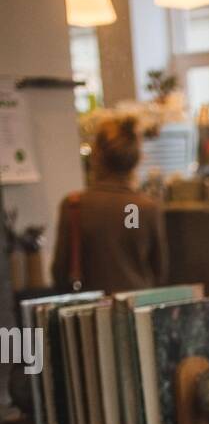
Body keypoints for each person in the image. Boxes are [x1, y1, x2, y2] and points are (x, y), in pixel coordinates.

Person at [52, 116, 168, 293]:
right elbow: (159, 272)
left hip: (91, 311)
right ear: (136, 158)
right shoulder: (141, 208)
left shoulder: (74, 205)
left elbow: (60, 272)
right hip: (137, 307)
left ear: (97, 155)